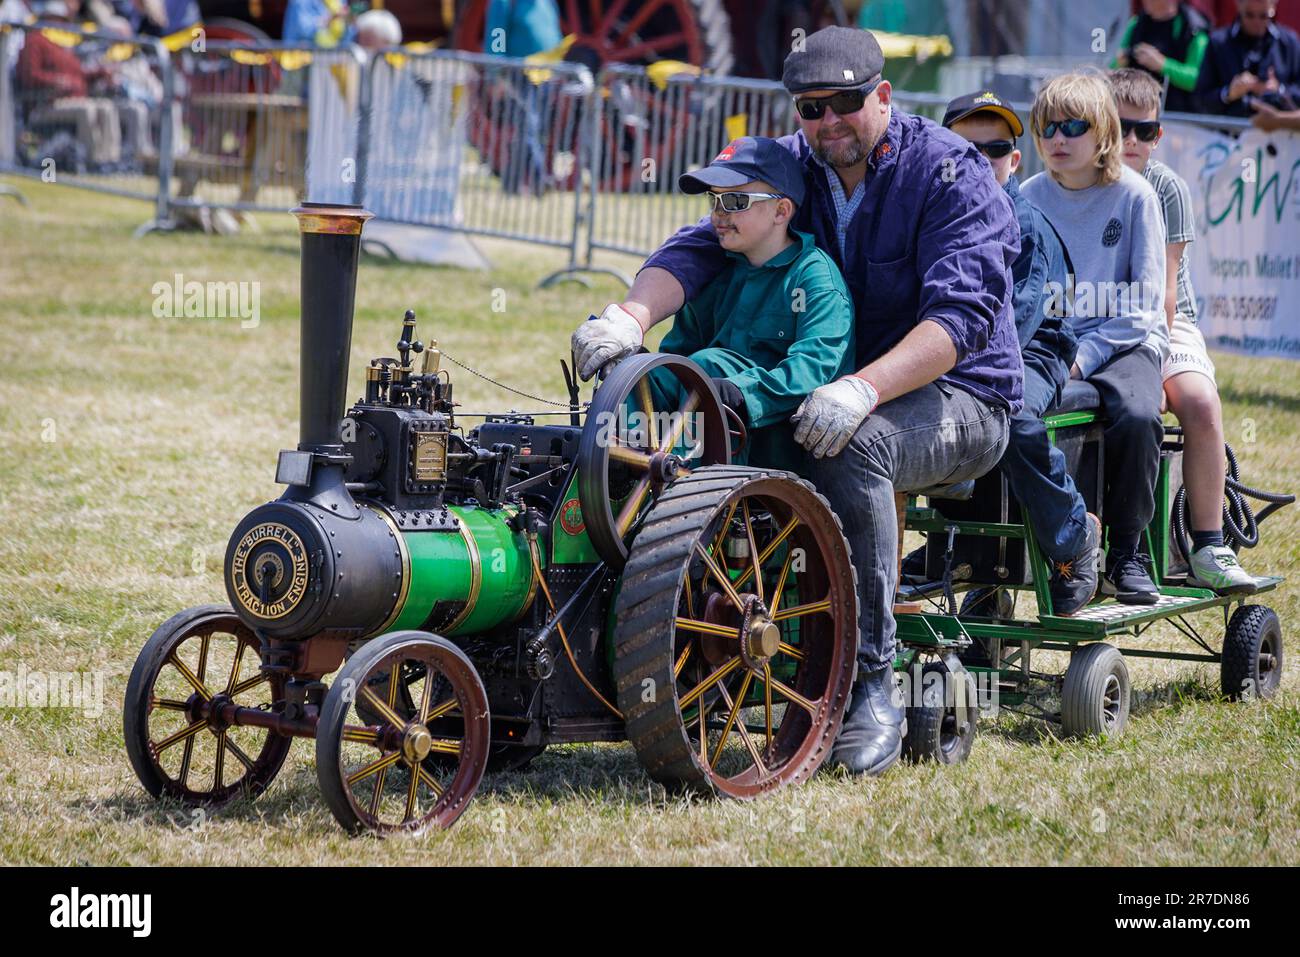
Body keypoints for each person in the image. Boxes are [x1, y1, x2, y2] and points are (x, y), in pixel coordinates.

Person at [573, 26, 1021, 777]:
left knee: (855, 442)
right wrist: (630, 317)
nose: (827, 121)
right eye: (811, 107)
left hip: (959, 397)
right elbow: (699, 244)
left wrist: (862, 385)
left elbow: (962, 321)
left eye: (845, 101)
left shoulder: (950, 173)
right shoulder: (795, 166)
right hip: (832, 388)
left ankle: (870, 681)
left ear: (883, 95)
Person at [934, 90, 1101, 616]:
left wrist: (945, 363)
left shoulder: (1025, 226)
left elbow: (1022, 318)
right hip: (957, 350)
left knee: (1011, 412)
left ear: (1014, 160)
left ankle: (1074, 536)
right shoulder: (933, 217)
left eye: (995, 149)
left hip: (1034, 348)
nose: (982, 161)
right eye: (967, 150)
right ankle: (960, 548)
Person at [1022, 70, 1169, 605]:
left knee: (1135, 414)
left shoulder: (1136, 197)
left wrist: (1084, 357)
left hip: (1126, 343)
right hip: (1053, 344)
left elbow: (1146, 306)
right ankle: (989, 557)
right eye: (1047, 127)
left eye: (1073, 127)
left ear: (1103, 133)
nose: (1057, 139)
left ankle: (1127, 552)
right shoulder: (1029, 196)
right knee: (1001, 409)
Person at [1109, 68, 1257, 594]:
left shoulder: (1166, 187)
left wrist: (1147, 364)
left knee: (1197, 402)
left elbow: (1165, 296)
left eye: (1143, 131)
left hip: (1164, 322)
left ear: (1159, 136)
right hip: (1097, 321)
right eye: (1121, 127)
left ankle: (1210, 542)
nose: (1131, 141)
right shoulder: (1076, 176)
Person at [644, 136, 855, 471]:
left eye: (736, 201)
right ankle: (615, 474)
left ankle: (680, 485)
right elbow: (678, 357)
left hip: (785, 438)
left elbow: (814, 369)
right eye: (714, 201)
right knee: (650, 375)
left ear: (781, 211)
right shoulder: (718, 272)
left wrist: (742, 392)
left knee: (711, 366)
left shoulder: (814, 278)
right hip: (707, 421)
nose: (719, 214)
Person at [1194, 0, 1300, 117]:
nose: (1256, 21)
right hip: (1230, 131)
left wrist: (1279, 90)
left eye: (1264, 15)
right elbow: (1199, 99)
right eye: (1249, 15)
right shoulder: (1218, 43)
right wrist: (1229, 93)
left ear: (1273, 7)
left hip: (1280, 132)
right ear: (1238, 6)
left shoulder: (1289, 44)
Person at [1112, 0, 1211, 114]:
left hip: (1179, 120)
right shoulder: (1135, 24)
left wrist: (1163, 65)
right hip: (1135, 112)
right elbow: (1114, 66)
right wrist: (1120, 62)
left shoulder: (1194, 29)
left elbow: (1198, 79)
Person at [282, 0, 354, 48]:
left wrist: (348, 21)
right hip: (299, 62)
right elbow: (304, 30)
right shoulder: (300, 2)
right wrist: (330, 19)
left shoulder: (339, 2)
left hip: (334, 60)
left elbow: (348, 35)